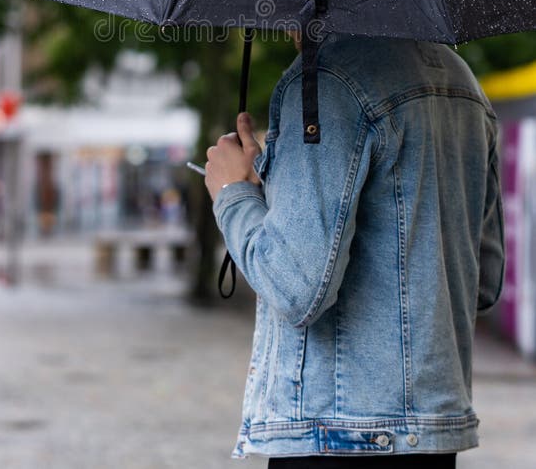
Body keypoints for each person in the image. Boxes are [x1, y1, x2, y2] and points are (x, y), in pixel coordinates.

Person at [205, 31, 504, 466]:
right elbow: (484, 282)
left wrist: (232, 193)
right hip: (432, 434)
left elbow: (297, 290)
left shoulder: (326, 80)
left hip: (340, 433)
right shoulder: (465, 85)